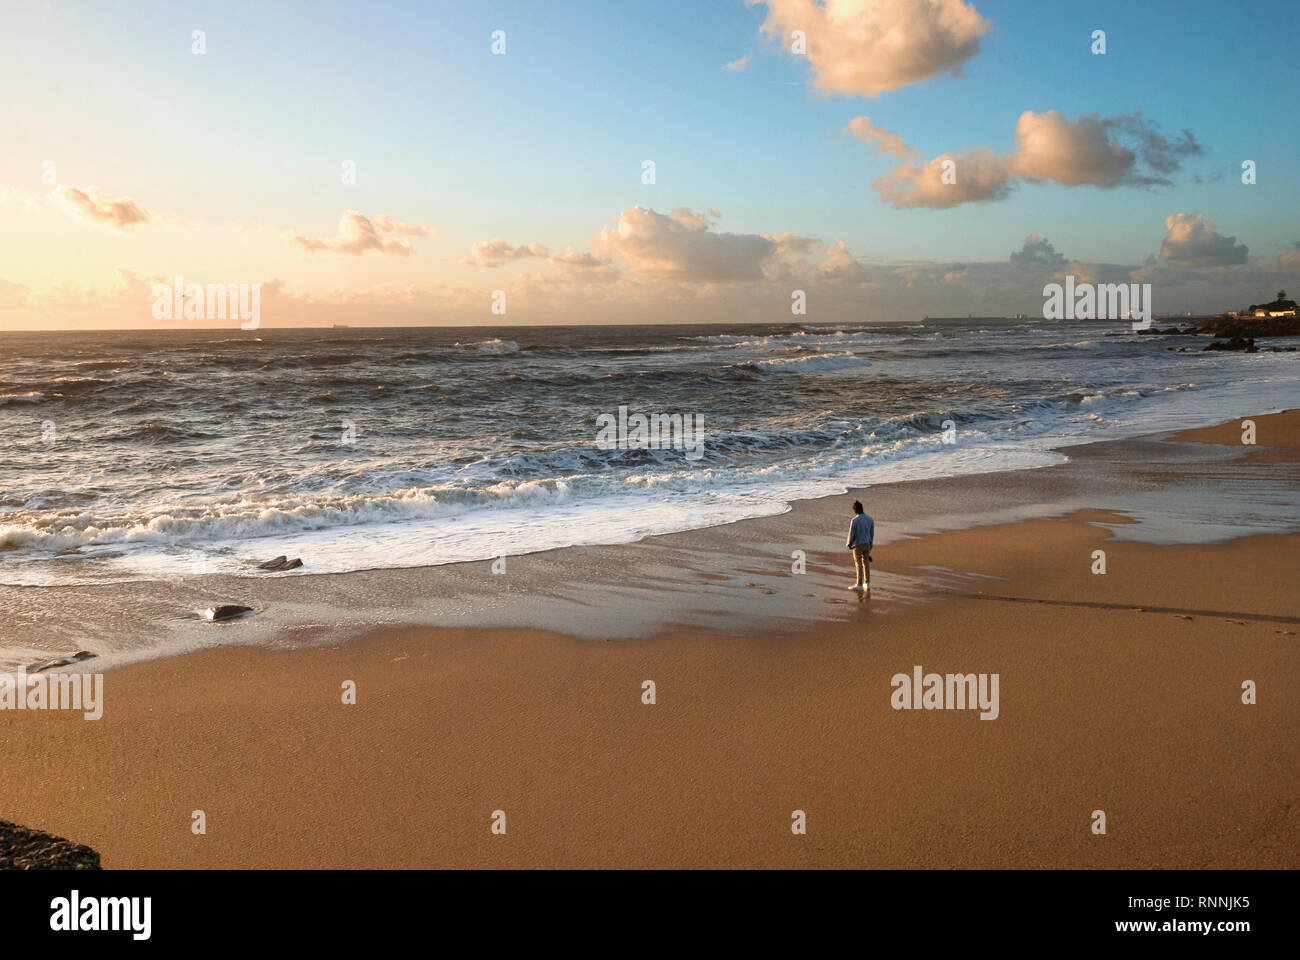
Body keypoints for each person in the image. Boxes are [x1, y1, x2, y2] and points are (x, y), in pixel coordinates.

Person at [845, 500, 874, 592]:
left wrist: (849, 543)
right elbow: (871, 534)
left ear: (855, 510)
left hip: (857, 544)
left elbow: (852, 534)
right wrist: (871, 545)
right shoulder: (870, 519)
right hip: (867, 543)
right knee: (866, 564)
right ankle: (867, 583)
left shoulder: (855, 520)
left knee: (859, 564)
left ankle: (859, 584)